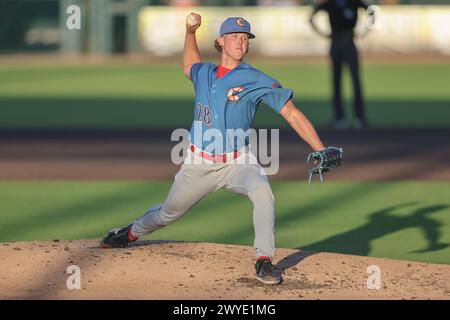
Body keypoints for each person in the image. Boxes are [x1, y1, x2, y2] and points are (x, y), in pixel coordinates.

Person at [100, 14, 333, 285]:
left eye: (245, 38)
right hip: (198, 162)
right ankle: (129, 233)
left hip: (239, 161)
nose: (240, 42)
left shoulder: (257, 79)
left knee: (263, 193)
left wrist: (320, 147)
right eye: (234, 36)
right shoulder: (205, 73)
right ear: (221, 41)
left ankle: (263, 261)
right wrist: (190, 32)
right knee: (167, 213)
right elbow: (189, 65)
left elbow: (291, 114)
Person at [310, 0, 370, 129]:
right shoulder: (330, 3)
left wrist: (365, 31)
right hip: (336, 42)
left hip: (349, 42)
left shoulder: (354, 2)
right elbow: (311, 17)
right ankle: (339, 118)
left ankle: (359, 117)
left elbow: (371, 11)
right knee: (337, 81)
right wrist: (324, 34)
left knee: (355, 81)